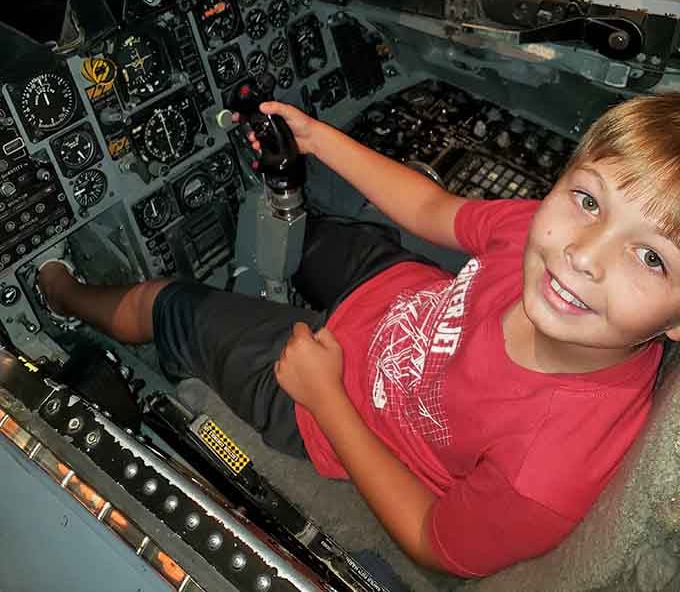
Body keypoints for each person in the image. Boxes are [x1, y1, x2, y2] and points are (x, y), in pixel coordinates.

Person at [36, 92, 680, 577]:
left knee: (166, 303)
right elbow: (433, 210)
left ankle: (59, 294)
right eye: (590, 201)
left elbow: (434, 542)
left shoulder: (550, 469)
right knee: (288, 221)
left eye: (652, 258)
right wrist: (317, 140)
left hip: (337, 401)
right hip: (399, 296)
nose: (584, 254)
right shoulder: (534, 236)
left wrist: (325, 399)